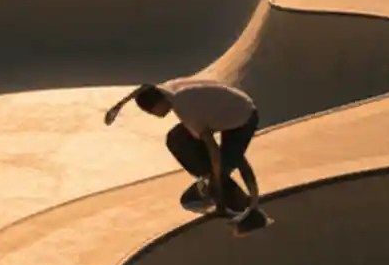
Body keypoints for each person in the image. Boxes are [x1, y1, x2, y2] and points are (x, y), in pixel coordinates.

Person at [104, 78, 269, 235]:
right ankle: (212, 180)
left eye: (153, 112)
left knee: (228, 163)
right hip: (226, 106)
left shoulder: (188, 113)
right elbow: (143, 88)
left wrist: (217, 182)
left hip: (243, 117)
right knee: (177, 138)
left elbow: (213, 149)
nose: (155, 115)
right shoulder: (165, 90)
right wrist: (119, 106)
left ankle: (248, 208)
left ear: (159, 103)